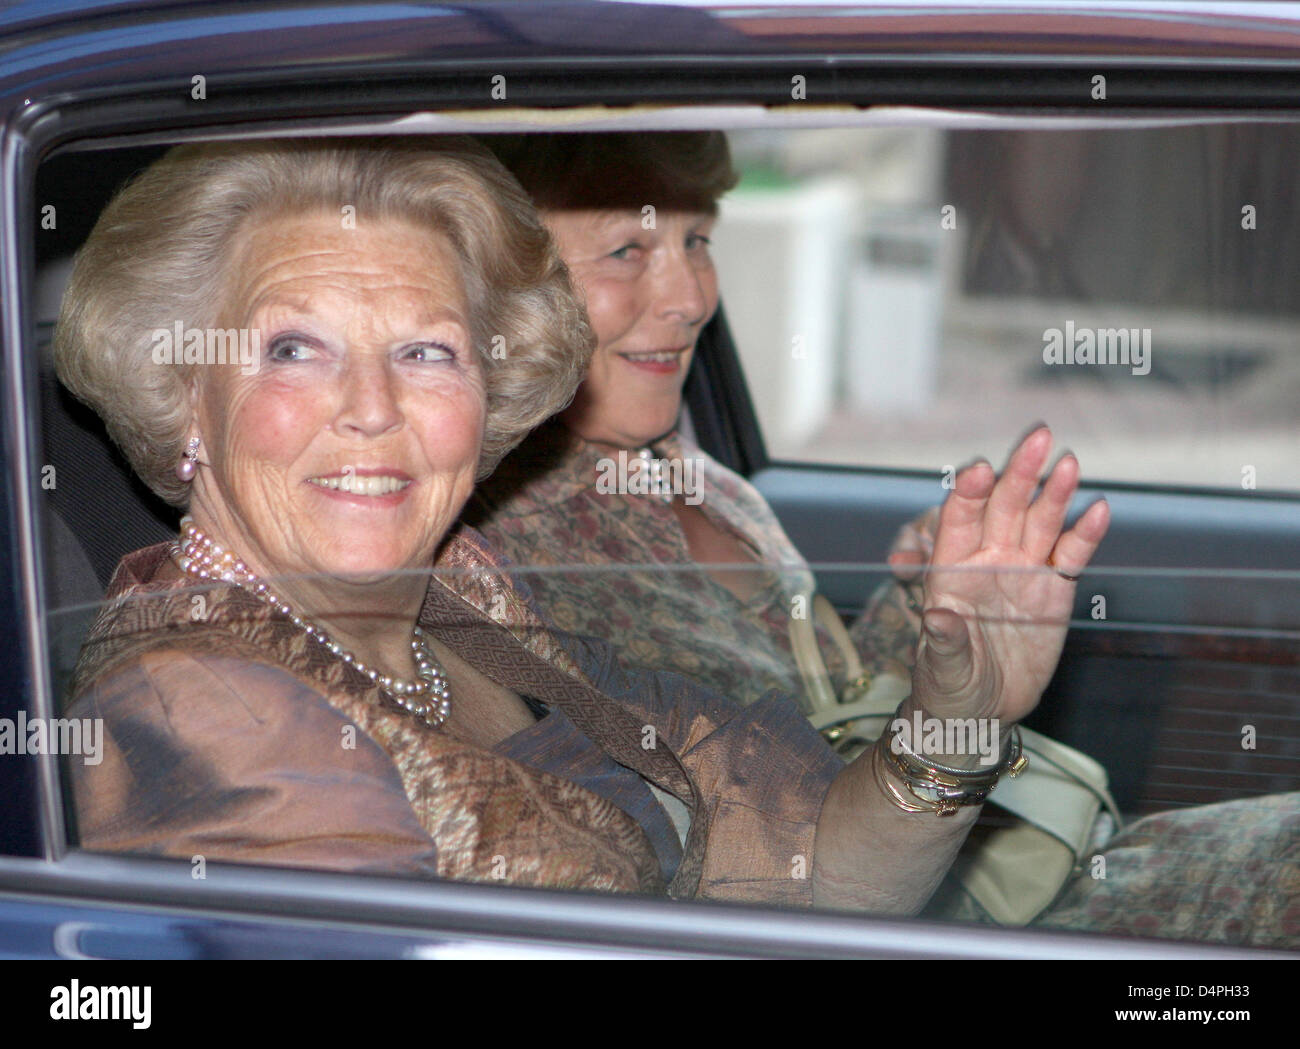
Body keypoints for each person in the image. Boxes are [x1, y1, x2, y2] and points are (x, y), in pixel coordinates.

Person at [53, 137, 1107, 914]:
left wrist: (954, 715)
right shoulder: (204, 705)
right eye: (295, 349)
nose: (371, 408)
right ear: (184, 392)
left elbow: (815, 865)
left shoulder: (464, 602)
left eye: (426, 352)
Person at [461, 132, 1299, 946]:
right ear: (506, 283)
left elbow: (826, 709)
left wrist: (930, 613)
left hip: (992, 869)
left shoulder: (695, 477)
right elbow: (726, 853)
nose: (690, 296)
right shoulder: (497, 553)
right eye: (626, 251)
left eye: (698, 238)